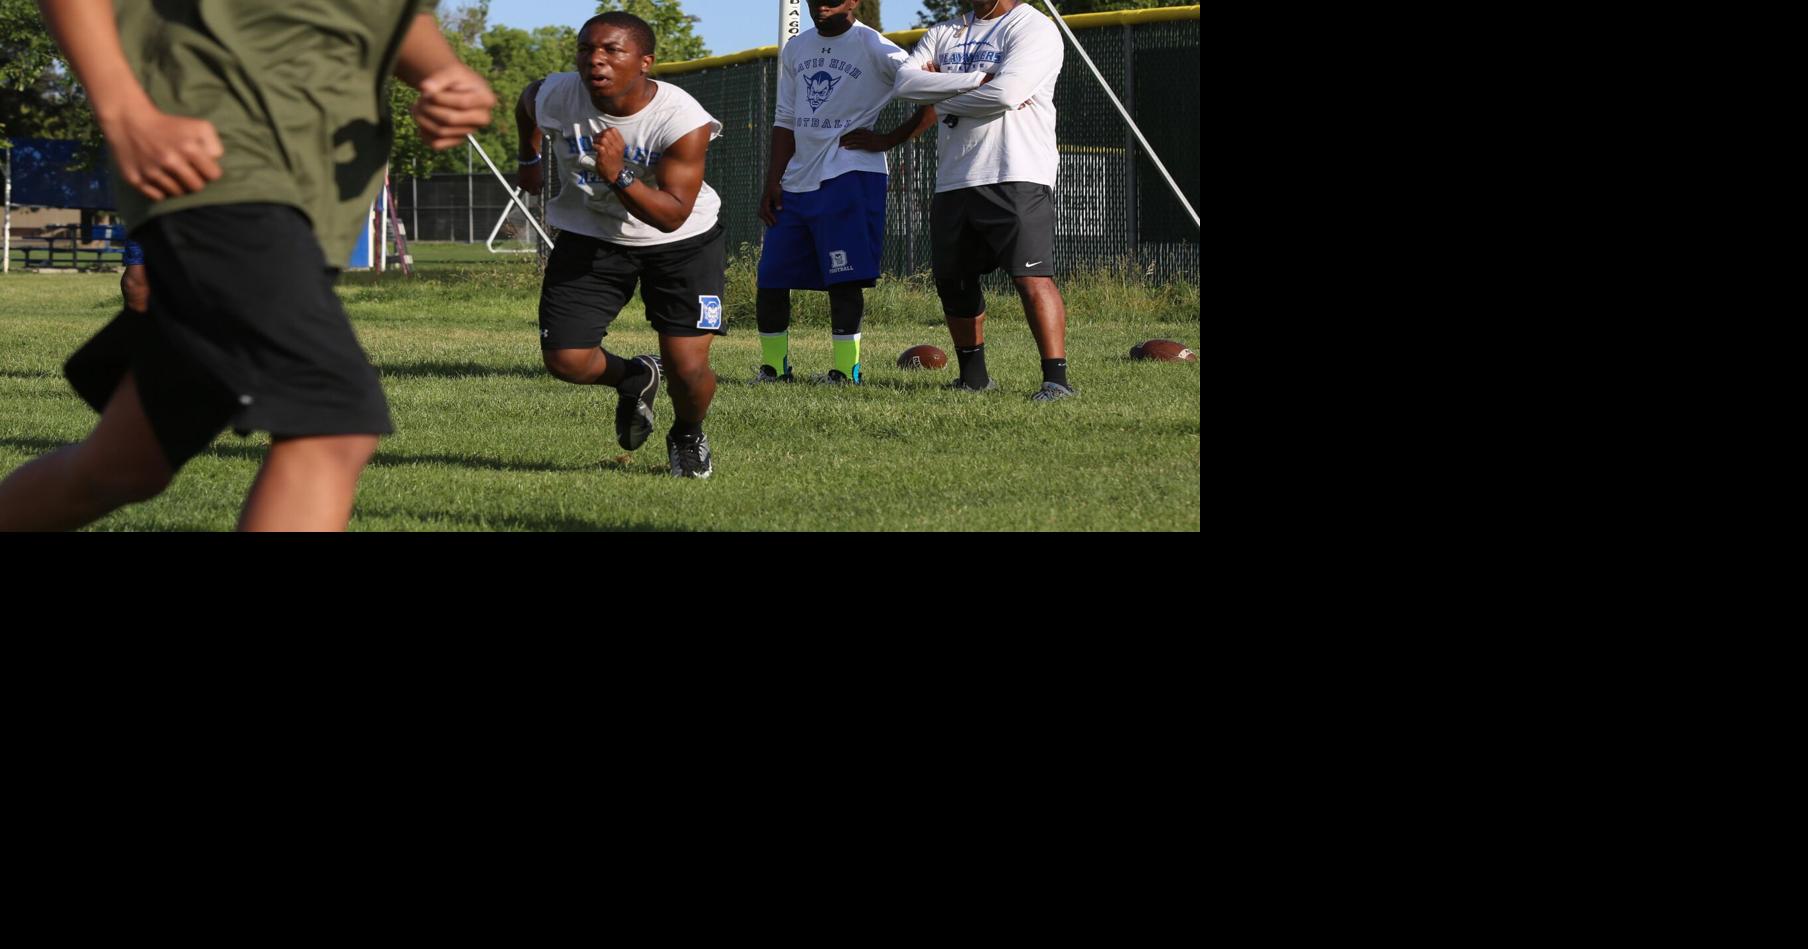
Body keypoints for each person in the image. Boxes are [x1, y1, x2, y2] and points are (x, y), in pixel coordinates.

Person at [0, 0, 494, 531]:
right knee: (330, 418)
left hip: (315, 192)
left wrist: (444, 75)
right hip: (211, 158)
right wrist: (125, 110)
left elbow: (393, 16)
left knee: (121, 468)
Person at [515, 12, 726, 479]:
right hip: (592, 235)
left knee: (688, 371)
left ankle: (688, 435)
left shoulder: (681, 119)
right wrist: (528, 157)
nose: (596, 60)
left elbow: (670, 216)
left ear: (645, 62)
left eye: (612, 50)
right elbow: (526, 102)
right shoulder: (558, 93)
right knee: (566, 360)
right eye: (587, 49)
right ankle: (634, 376)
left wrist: (619, 173)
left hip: (682, 243)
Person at [894, 0, 1077, 401]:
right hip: (955, 176)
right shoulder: (945, 31)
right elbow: (904, 84)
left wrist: (939, 98)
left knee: (1031, 277)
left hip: (1016, 171)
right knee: (953, 281)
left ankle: (1056, 381)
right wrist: (980, 80)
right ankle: (973, 379)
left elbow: (1007, 94)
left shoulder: (1034, 27)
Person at [753, 0, 935, 385]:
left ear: (853, 1)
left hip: (850, 174)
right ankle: (774, 369)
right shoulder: (797, 48)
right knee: (771, 277)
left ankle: (845, 370)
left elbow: (931, 97)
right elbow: (785, 118)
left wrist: (888, 139)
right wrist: (773, 180)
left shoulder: (876, 47)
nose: (822, 5)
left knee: (844, 279)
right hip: (797, 179)